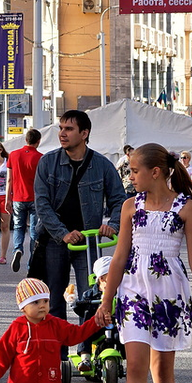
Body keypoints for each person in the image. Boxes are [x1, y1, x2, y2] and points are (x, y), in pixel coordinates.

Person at [97, 143, 192, 383]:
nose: (131, 177)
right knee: (134, 365)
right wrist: (106, 301)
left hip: (169, 295)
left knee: (162, 370)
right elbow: (120, 257)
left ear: (155, 172)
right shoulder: (130, 207)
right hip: (134, 292)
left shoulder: (186, 208)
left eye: (134, 171)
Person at [33, 109, 125, 334]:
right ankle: (58, 354)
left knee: (91, 296)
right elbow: (42, 205)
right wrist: (62, 233)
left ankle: (87, 351)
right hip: (55, 240)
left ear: (84, 133)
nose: (62, 134)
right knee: (54, 299)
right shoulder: (48, 162)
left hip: (89, 241)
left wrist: (112, 224)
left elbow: (120, 200)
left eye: (69, 129)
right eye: (61, 128)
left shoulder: (102, 165)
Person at [6, 128, 42, 273]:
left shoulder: (13, 155)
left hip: (18, 198)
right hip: (35, 198)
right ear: (38, 141)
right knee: (34, 231)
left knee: (18, 227)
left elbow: (9, 179)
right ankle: (32, 263)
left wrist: (8, 199)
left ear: (26, 140)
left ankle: (17, 249)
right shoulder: (40, 157)